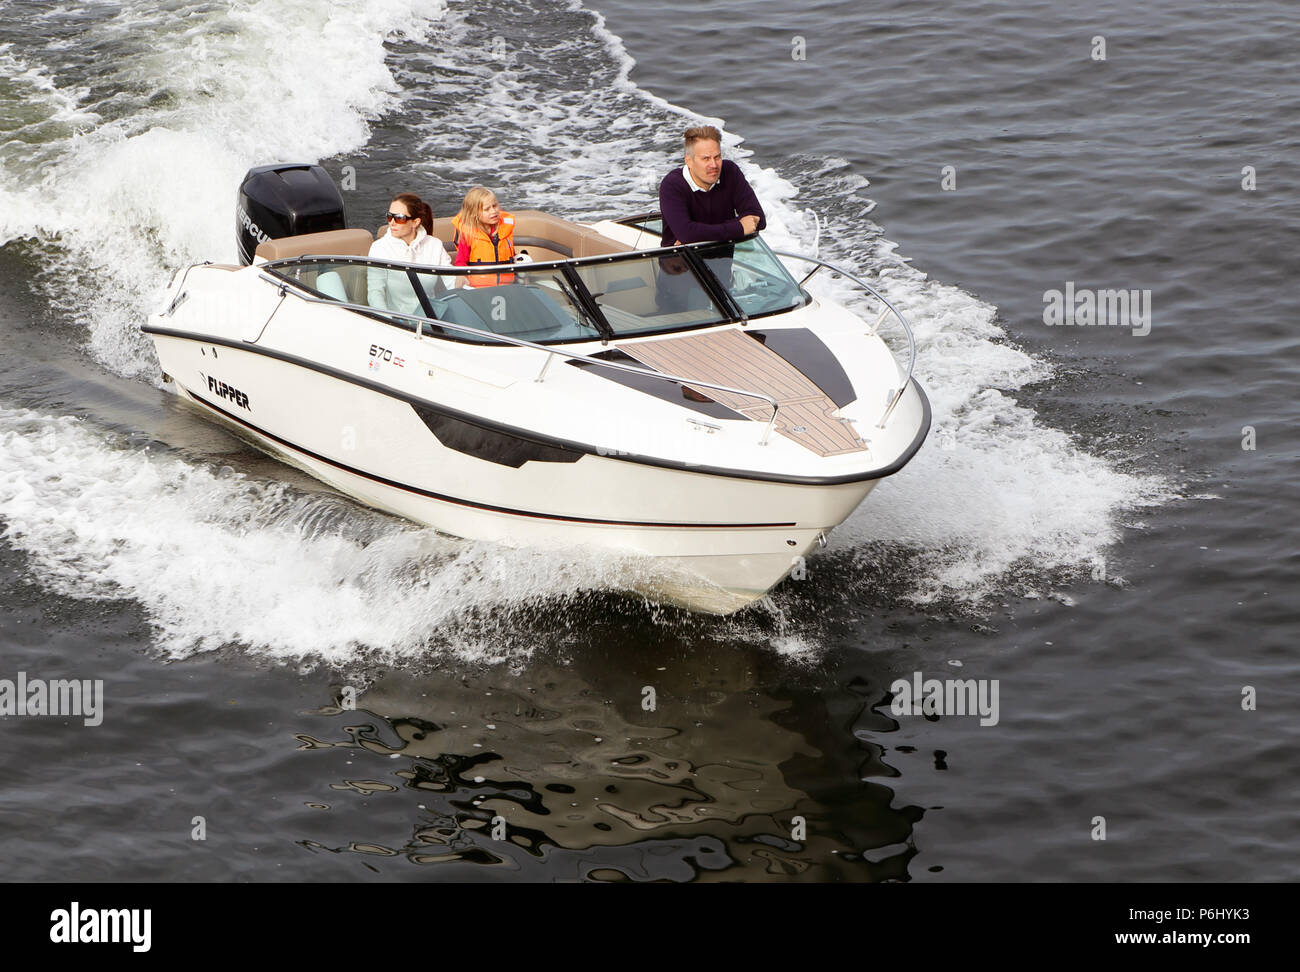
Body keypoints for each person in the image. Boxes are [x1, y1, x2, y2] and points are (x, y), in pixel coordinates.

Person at [658, 124, 766, 247]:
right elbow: (687, 234)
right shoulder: (672, 185)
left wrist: (697, 234)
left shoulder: (730, 171)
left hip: (722, 260)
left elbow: (758, 219)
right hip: (681, 263)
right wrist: (739, 227)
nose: (714, 165)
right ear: (689, 161)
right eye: (706, 159)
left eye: (717, 157)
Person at [367, 193, 450, 315]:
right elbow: (375, 293)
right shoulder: (379, 248)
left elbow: (452, 281)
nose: (392, 223)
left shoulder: (435, 245)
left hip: (432, 321)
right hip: (398, 323)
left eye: (399, 218)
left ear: (415, 222)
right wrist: (388, 323)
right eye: (389, 217)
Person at [452, 186, 516, 287]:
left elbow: (513, 256)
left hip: (508, 287)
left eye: (495, 206)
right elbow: (461, 262)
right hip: (479, 290)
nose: (493, 211)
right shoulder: (467, 234)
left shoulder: (505, 231)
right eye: (487, 209)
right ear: (474, 213)